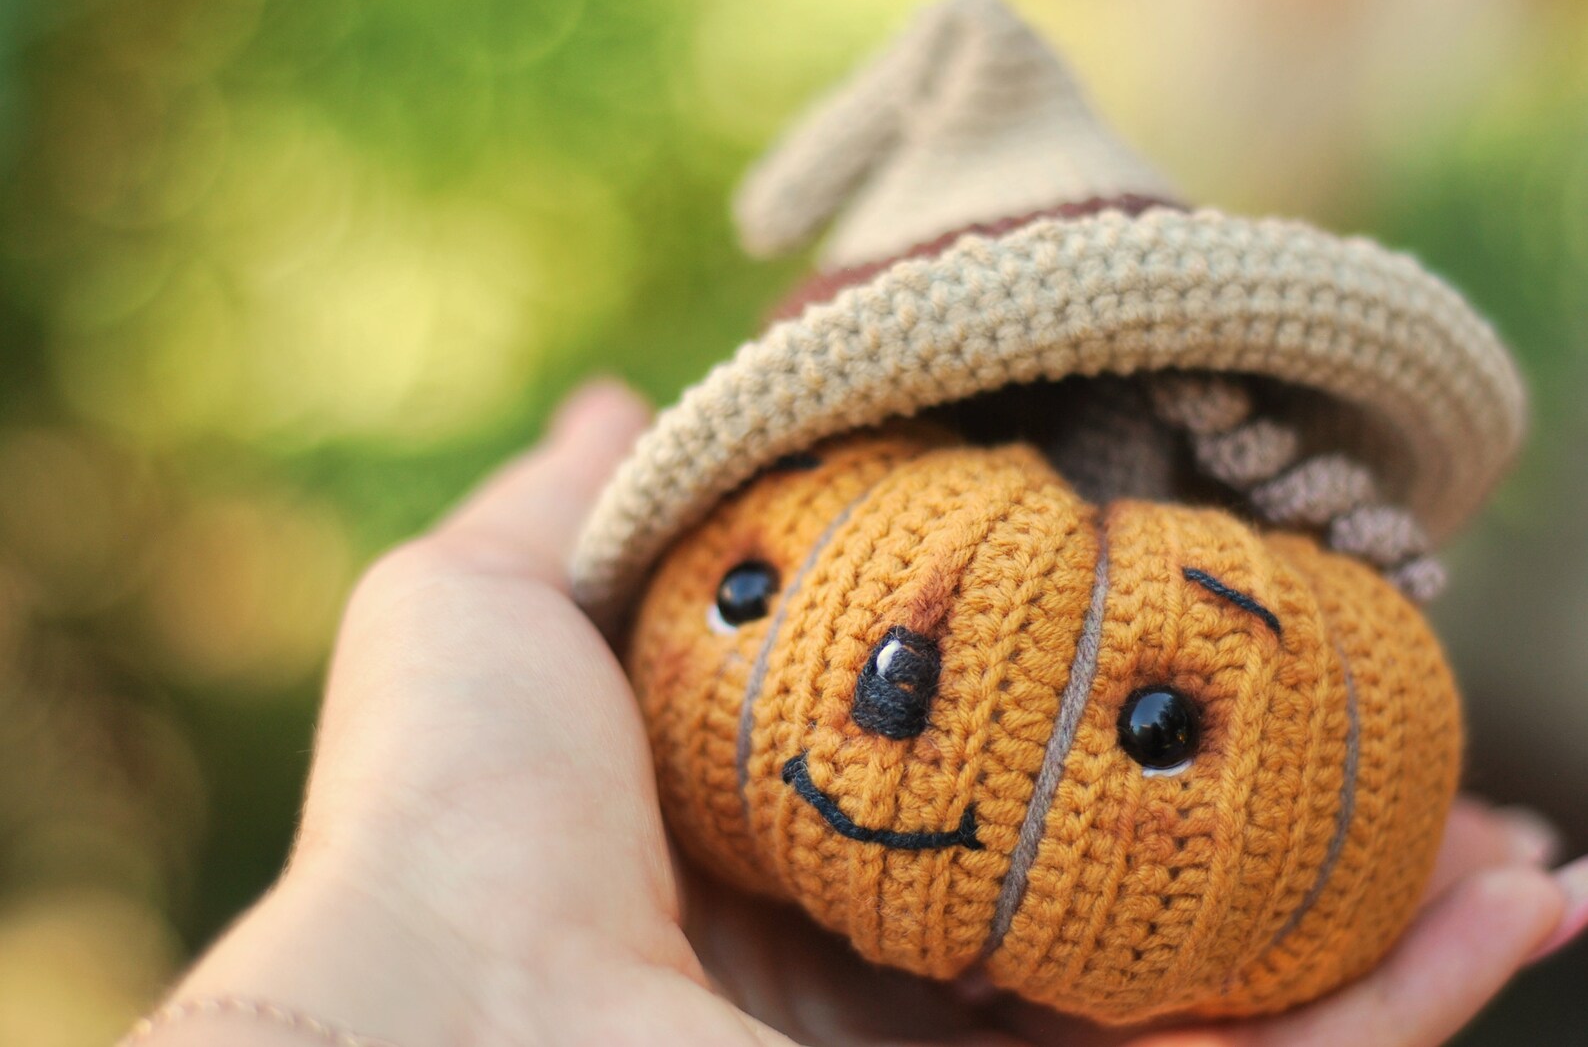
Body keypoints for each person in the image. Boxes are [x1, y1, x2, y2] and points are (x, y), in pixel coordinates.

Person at [124, 382, 1588, 1047]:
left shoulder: (1317, 638)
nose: (891, 716)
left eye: (1158, 726)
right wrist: (431, 944)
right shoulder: (858, 493)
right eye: (760, 595)